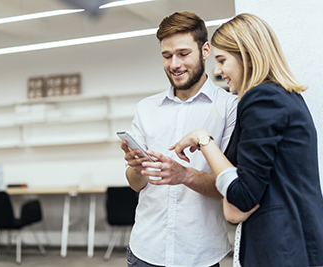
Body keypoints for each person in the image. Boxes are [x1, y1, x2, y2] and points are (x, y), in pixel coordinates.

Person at [171, 13, 323, 267]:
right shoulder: (286, 96)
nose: (217, 71)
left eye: (222, 60)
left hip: (280, 250)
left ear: (247, 56)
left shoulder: (262, 99)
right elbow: (234, 193)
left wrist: (203, 139)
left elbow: (242, 197)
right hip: (295, 246)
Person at [120, 11, 238, 267]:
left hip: (199, 254)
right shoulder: (146, 108)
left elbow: (231, 187)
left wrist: (184, 175)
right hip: (145, 249)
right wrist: (136, 167)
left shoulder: (229, 108)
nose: (174, 64)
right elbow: (134, 184)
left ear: (205, 50)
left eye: (183, 54)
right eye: (167, 55)